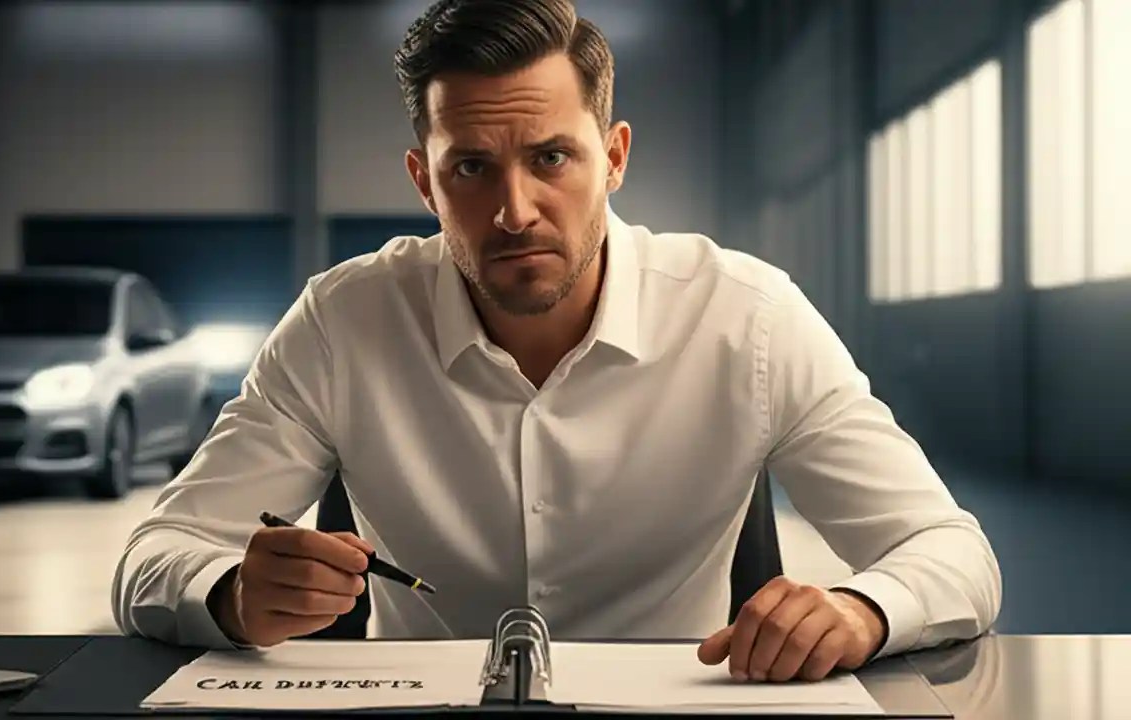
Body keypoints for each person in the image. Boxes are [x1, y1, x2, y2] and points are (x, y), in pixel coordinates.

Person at [112, 0, 1001, 684]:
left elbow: (954, 555)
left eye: (551, 158)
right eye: (471, 167)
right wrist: (229, 596)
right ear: (425, 179)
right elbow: (153, 558)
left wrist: (862, 608)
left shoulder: (751, 317)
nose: (513, 211)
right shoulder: (344, 321)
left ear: (613, 157)